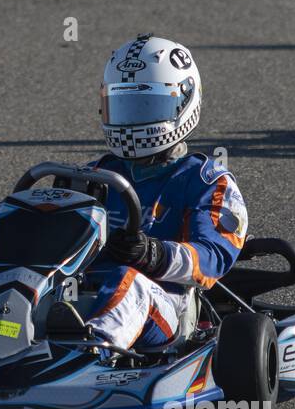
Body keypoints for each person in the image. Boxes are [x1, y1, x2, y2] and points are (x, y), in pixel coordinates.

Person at [55, 34, 249, 349]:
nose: (132, 120)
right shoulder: (90, 177)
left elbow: (213, 258)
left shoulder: (206, 181)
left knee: (127, 280)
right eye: (123, 105)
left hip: (165, 305)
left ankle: (90, 350)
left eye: (146, 105)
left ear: (183, 102)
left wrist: (154, 254)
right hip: (77, 296)